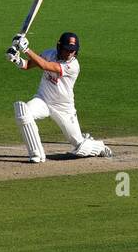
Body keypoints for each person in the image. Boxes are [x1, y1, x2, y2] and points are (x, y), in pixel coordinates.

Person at [7, 31, 111, 163]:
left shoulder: (73, 66)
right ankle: (36, 154)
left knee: (79, 146)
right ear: (59, 47)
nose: (69, 53)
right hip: (43, 100)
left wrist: (26, 49)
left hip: (63, 107)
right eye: (67, 49)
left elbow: (46, 66)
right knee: (23, 112)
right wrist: (15, 59)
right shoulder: (49, 54)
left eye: (72, 50)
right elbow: (28, 65)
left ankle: (99, 146)